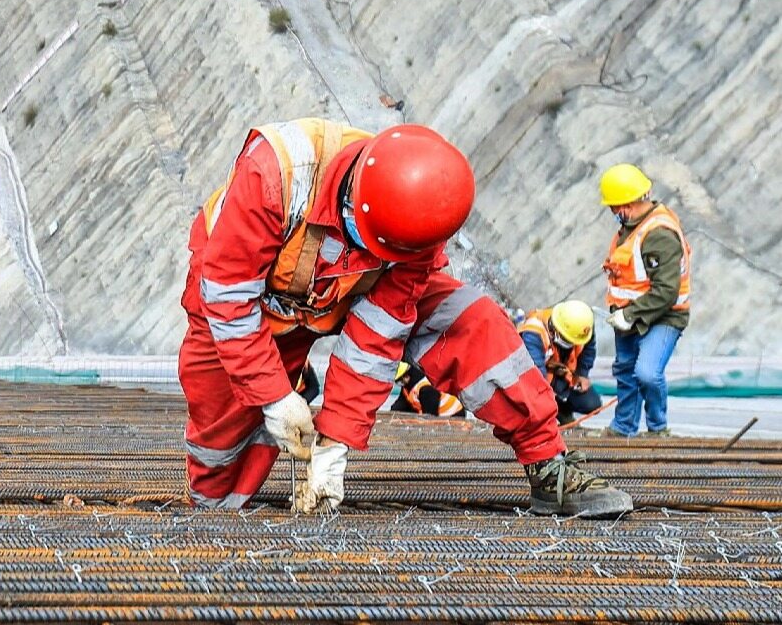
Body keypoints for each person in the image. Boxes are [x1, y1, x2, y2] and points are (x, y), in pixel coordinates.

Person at [183, 118, 632, 518]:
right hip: (251, 296)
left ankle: (548, 465)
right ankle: (213, 503)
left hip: (349, 286)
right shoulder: (275, 173)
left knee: (471, 321)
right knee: (220, 446)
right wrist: (274, 396)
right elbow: (228, 301)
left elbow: (374, 340)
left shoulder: (416, 225)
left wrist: (336, 440)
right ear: (356, 200)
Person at [600, 165, 691, 439]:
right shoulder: (630, 228)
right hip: (631, 315)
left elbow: (666, 291)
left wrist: (630, 314)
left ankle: (657, 429)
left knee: (647, 373)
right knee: (625, 371)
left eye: (614, 207)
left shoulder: (659, 234)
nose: (614, 213)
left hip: (664, 316)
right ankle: (623, 427)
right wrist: (623, 313)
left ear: (627, 204)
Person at [519, 301, 602, 424]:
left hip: (561, 374)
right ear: (556, 329)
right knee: (537, 400)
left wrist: (582, 374)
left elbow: (589, 349)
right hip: (536, 378)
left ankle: (561, 410)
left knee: (591, 404)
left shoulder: (582, 328)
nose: (572, 343)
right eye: (568, 340)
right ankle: (546, 413)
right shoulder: (534, 332)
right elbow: (536, 377)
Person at [389, 358, 464, 416]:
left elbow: (430, 416)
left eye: (402, 379)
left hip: (452, 414)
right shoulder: (407, 386)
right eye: (399, 382)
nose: (403, 382)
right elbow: (401, 405)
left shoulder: (425, 389)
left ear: (408, 374)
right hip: (435, 412)